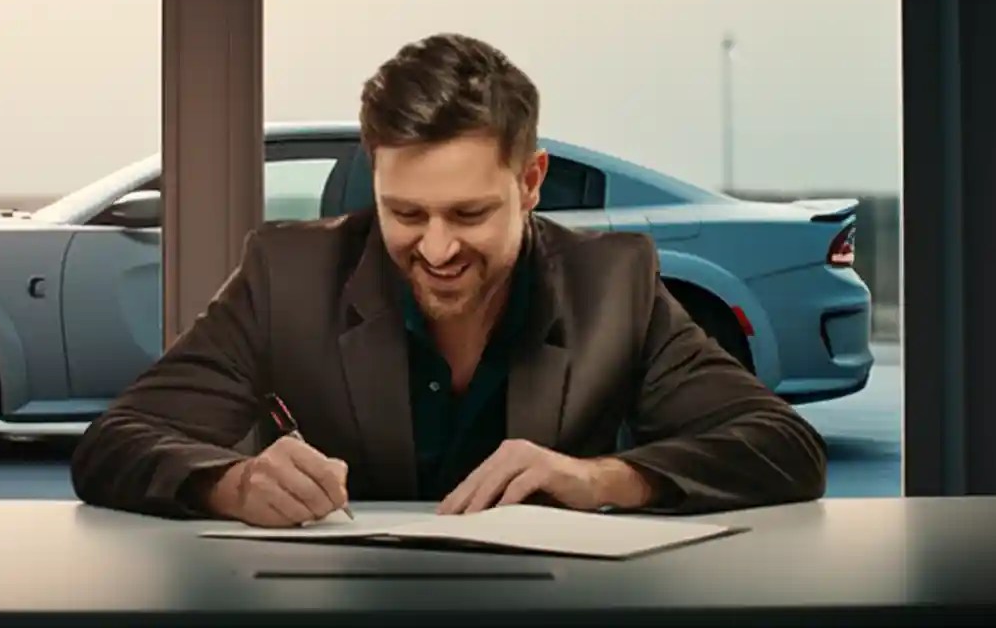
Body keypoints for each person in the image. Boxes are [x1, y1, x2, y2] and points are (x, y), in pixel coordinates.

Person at [70, 32, 827, 527]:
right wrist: (230, 485)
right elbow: (116, 443)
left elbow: (782, 446)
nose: (436, 249)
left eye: (469, 213)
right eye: (405, 213)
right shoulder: (287, 275)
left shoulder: (612, 284)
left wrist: (600, 479)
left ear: (531, 183)